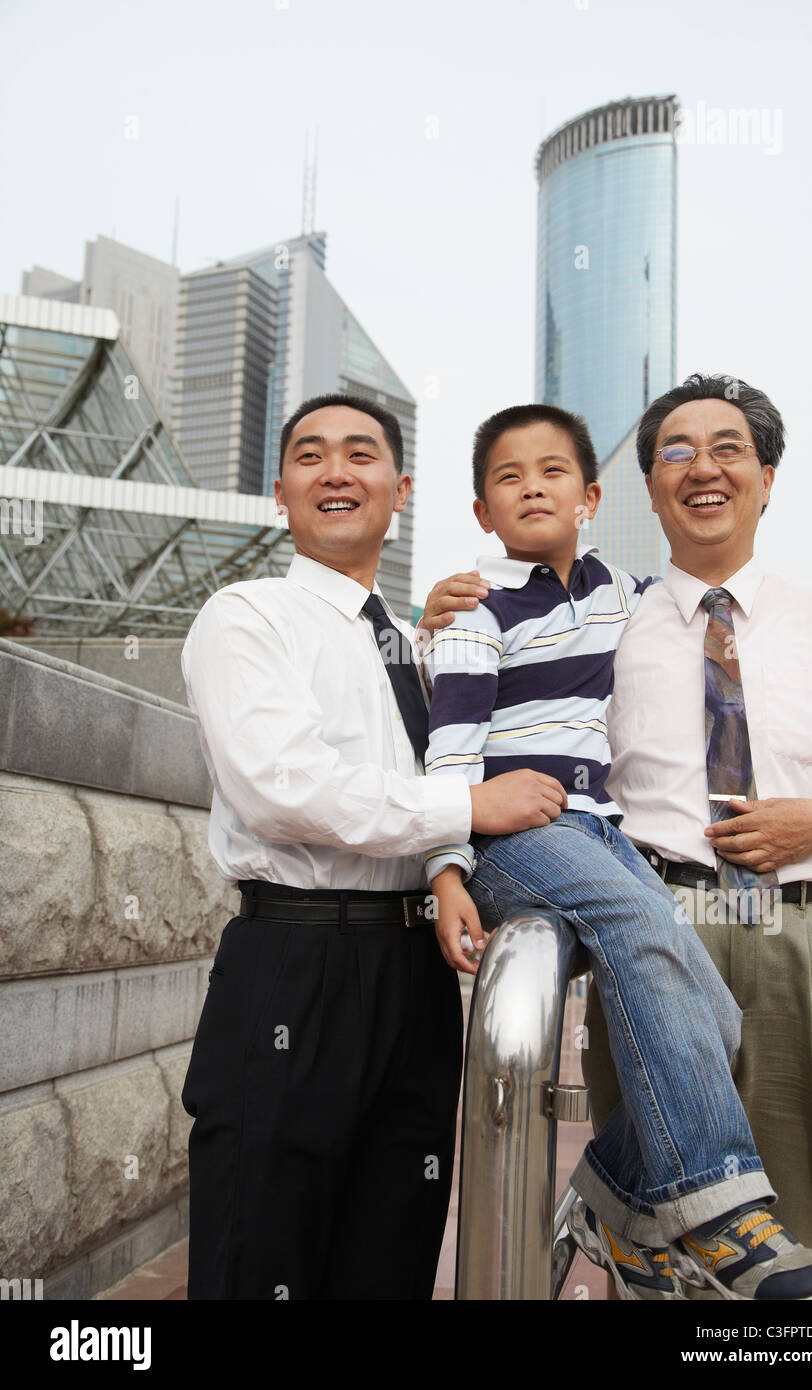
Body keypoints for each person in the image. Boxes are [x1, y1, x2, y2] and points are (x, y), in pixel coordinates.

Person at [420, 401, 812, 1301]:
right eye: (508, 477)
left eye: (553, 472)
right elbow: (449, 748)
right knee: (642, 922)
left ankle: (611, 1198)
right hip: (524, 835)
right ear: (481, 512)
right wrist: (445, 867)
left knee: (713, 1022)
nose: (533, 485)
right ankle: (721, 1216)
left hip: (617, 842)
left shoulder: (628, 597)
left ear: (592, 495)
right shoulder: (474, 608)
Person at [180, 392, 571, 1300]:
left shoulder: (415, 645)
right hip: (296, 959)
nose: (335, 471)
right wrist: (470, 806)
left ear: (399, 491)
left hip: (416, 977)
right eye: (310, 456)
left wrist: (447, 874)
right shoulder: (246, 616)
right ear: (280, 490)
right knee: (262, 1249)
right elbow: (285, 791)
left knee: (392, 1246)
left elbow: (440, 759)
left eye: (360, 455)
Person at [585, 373, 812, 1292]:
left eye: (728, 449)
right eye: (676, 451)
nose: (702, 467)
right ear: (652, 484)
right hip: (660, 936)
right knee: (671, 1222)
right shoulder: (603, 626)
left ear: (768, 478)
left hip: (808, 937)